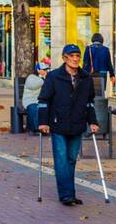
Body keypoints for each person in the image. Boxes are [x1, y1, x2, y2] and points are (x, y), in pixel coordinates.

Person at [38, 44, 99, 206]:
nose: (75, 59)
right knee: (61, 160)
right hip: (58, 124)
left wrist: (93, 121)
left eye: (77, 56)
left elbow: (89, 102)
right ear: (64, 58)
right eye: (71, 56)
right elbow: (44, 99)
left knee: (71, 159)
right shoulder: (54, 76)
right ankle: (66, 195)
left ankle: (69, 193)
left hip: (77, 124)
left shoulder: (85, 78)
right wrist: (43, 122)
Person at [22, 59, 50, 134]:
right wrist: (43, 79)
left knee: (46, 107)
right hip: (30, 100)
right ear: (38, 70)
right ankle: (36, 129)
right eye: (44, 70)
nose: (46, 71)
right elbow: (33, 86)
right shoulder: (31, 77)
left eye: (46, 69)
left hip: (41, 101)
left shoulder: (47, 78)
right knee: (34, 108)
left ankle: (49, 128)